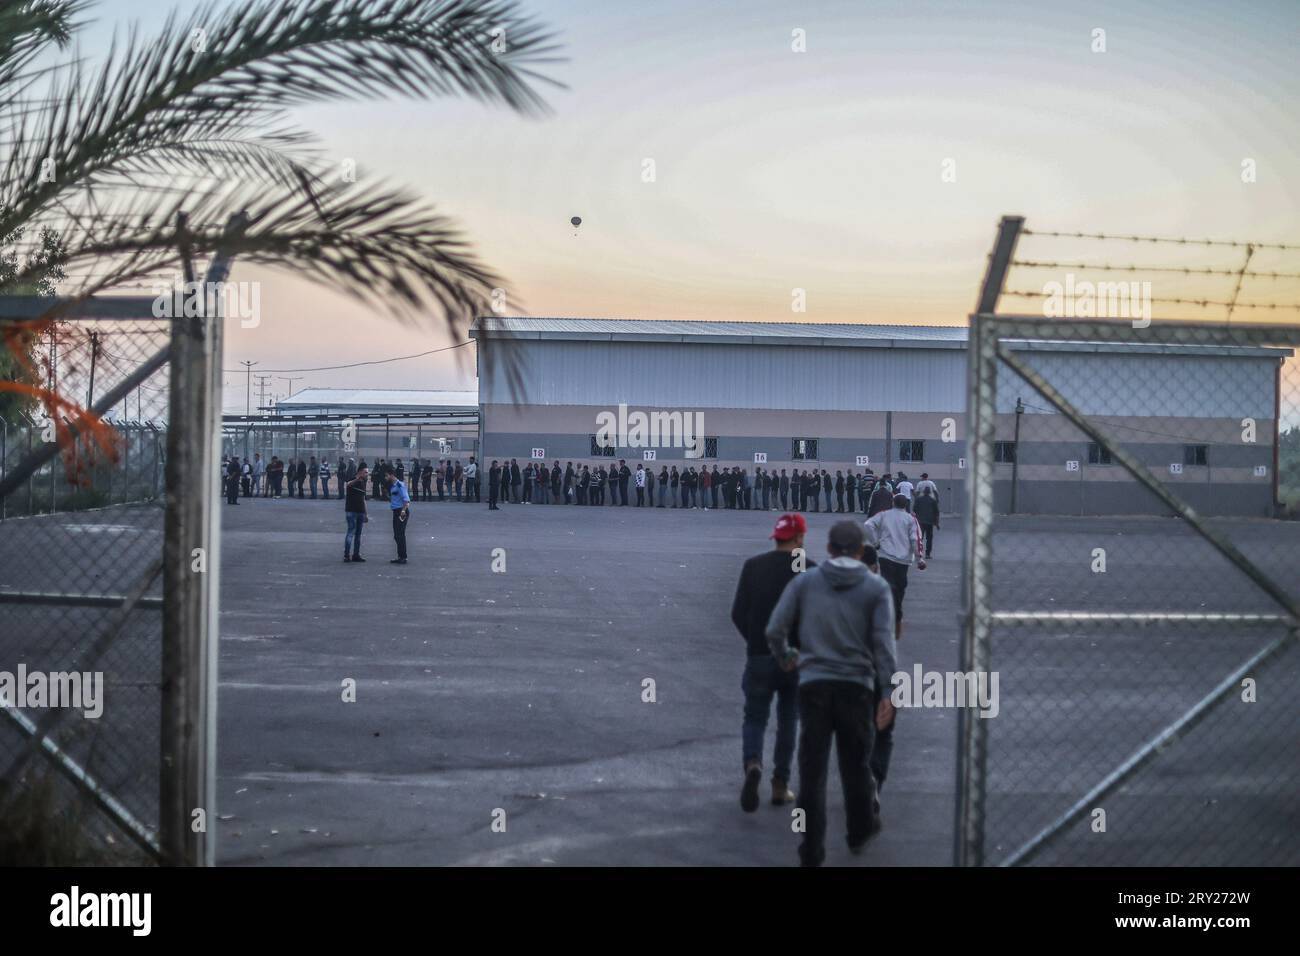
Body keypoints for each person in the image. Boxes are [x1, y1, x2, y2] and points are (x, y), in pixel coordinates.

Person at [766, 521, 897, 867]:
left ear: (828, 549)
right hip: (856, 687)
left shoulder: (805, 582)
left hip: (814, 686)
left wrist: (788, 658)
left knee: (812, 772)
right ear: (859, 552)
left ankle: (811, 848)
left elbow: (775, 629)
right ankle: (858, 831)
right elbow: (884, 645)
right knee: (855, 766)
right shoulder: (876, 588)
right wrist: (888, 691)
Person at [731, 513, 813, 813]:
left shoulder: (754, 567)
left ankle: (753, 763)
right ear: (800, 538)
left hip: (760, 656)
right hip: (796, 660)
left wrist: (754, 641)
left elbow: (738, 612)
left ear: (776, 537)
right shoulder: (809, 570)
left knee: (754, 717)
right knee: (789, 720)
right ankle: (781, 784)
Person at [864, 494, 926, 642]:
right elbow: (916, 539)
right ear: (905, 505)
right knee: (900, 586)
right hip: (903, 559)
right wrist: (920, 558)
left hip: (886, 555)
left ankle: (889, 611)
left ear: (892, 502)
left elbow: (868, 525)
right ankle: (896, 612)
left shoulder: (884, 515)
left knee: (887, 584)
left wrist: (875, 542)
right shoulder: (911, 519)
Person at [343, 464, 369, 562]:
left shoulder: (363, 482)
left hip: (360, 511)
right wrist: (356, 479)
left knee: (358, 534)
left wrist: (366, 514)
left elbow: (363, 499)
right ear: (360, 472)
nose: (367, 474)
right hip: (351, 511)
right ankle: (346, 555)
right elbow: (348, 484)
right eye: (366, 472)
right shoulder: (354, 479)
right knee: (351, 533)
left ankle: (356, 554)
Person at [385, 470, 411, 564]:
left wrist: (403, 511)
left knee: (400, 535)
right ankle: (400, 556)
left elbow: (406, 500)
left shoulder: (400, 485)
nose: (386, 478)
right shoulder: (393, 486)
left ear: (392, 475)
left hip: (401, 512)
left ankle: (403, 557)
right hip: (396, 511)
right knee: (397, 535)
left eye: (387, 476)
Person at [913, 486, 940, 559]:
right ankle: (928, 554)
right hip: (929, 522)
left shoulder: (918, 499)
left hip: (920, 521)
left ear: (923, 492)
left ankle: (919, 552)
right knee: (929, 538)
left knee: (920, 537)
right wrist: (937, 523)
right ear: (930, 492)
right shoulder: (933, 500)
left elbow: (914, 509)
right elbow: (936, 512)